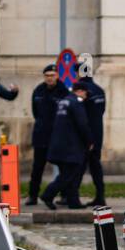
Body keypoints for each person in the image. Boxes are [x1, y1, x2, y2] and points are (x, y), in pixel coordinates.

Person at [40, 84, 93, 210]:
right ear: (79, 91)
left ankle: (73, 201)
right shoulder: (76, 102)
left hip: (59, 146)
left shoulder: (64, 101)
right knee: (68, 175)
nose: (86, 96)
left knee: (70, 175)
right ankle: (48, 195)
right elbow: (82, 124)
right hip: (71, 148)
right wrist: (89, 141)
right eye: (85, 93)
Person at [26, 64, 69, 205]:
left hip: (58, 136)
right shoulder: (38, 90)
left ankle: (65, 195)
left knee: (64, 168)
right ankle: (32, 196)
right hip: (41, 136)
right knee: (37, 168)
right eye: (47, 76)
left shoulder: (63, 91)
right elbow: (35, 112)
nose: (49, 78)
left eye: (52, 75)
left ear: (57, 76)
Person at [71, 75, 107, 206]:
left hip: (86, 136)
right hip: (98, 133)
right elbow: (102, 111)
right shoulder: (100, 90)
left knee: (78, 167)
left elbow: (80, 115)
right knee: (95, 167)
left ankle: (73, 198)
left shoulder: (83, 90)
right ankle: (100, 196)